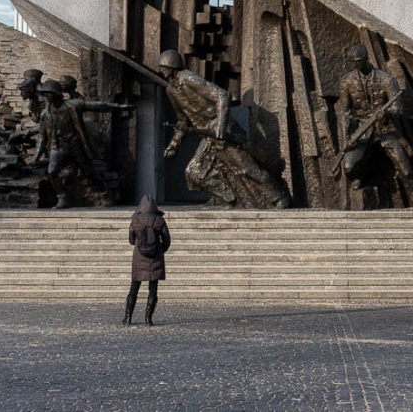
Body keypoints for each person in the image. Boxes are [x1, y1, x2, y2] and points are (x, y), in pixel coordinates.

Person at [158, 49, 290, 209]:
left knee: (246, 168)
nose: (161, 70)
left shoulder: (188, 79)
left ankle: (278, 196)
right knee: (193, 172)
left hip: (223, 129)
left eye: (163, 66)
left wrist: (220, 125)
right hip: (207, 136)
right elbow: (182, 121)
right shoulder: (171, 91)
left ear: (172, 66)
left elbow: (222, 95)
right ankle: (227, 198)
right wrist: (174, 145)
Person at [337, 44, 413, 207]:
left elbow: (398, 109)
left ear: (365, 59)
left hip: (385, 130)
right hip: (362, 132)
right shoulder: (346, 81)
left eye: (358, 61)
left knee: (406, 169)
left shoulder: (386, 79)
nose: (355, 64)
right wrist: (346, 140)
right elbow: (344, 113)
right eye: (353, 61)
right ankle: (362, 175)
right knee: (349, 166)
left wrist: (387, 113)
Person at [33, 79, 109, 209]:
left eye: (50, 93)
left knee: (88, 171)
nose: (47, 96)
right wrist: (37, 156)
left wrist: (119, 107)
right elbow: (42, 136)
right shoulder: (45, 114)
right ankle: (63, 198)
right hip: (57, 146)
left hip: (75, 145)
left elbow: (96, 105)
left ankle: (104, 193)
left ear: (57, 93)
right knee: (52, 172)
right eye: (45, 94)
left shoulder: (72, 105)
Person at [123, 195, 171, 326]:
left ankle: (128, 318)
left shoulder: (136, 220)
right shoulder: (159, 220)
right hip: (155, 257)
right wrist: (161, 250)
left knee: (134, 288)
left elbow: (131, 240)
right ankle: (148, 319)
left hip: (139, 258)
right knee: (153, 290)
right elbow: (167, 240)